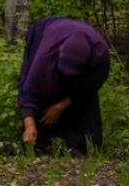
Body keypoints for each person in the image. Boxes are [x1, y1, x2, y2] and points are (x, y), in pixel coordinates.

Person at [17, 17, 112, 155]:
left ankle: (83, 149)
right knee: (43, 93)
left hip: (85, 67)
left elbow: (91, 86)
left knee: (87, 102)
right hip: (48, 31)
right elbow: (28, 90)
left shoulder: (100, 56)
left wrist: (62, 105)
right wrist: (29, 125)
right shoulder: (45, 57)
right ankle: (39, 144)